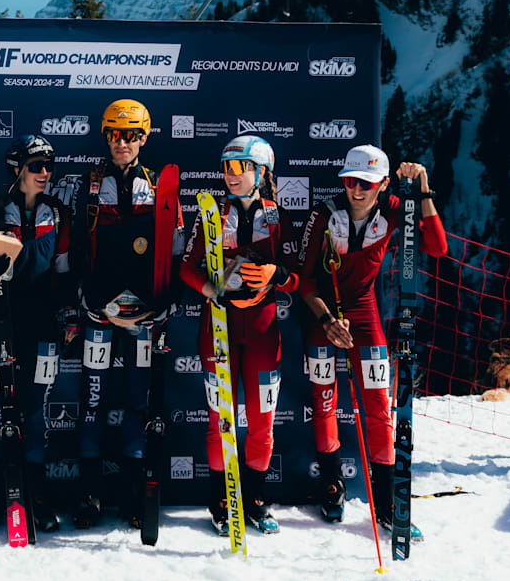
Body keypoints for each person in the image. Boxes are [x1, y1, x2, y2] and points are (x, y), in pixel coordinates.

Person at [297, 144, 446, 539]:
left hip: (364, 312)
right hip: (321, 316)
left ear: (382, 184)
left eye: (365, 183)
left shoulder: (397, 207)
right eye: (350, 182)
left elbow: (436, 247)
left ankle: (386, 502)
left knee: (379, 405)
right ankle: (332, 486)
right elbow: (306, 280)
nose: (356, 191)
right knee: (324, 400)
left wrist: (424, 189)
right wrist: (327, 320)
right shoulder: (325, 212)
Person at [179, 135, 299, 535]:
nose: (230, 176)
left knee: (263, 422)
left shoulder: (278, 216)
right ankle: (220, 501)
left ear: (260, 172)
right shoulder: (212, 215)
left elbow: (298, 274)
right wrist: (211, 289)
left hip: (264, 329)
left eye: (240, 168)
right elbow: (187, 268)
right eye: (226, 168)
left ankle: (256, 502)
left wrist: (275, 275)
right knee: (221, 419)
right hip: (218, 327)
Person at [72, 99, 183, 528]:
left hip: (143, 314)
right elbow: (75, 243)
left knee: (139, 400)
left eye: (132, 135)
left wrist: (164, 303)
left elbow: (173, 249)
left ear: (143, 138)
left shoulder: (158, 185)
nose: (122, 143)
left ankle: (136, 491)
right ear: (105, 136)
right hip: (99, 309)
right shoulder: (89, 183)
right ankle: (90, 491)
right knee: (94, 399)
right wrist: (83, 298)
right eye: (115, 134)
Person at [0, 134, 75, 534]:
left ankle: (37, 495)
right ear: (18, 169)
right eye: (36, 166)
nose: (45, 173)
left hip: (43, 322)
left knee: (34, 413)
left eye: (49, 166)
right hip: (0, 319)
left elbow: (64, 269)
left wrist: (68, 316)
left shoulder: (58, 212)